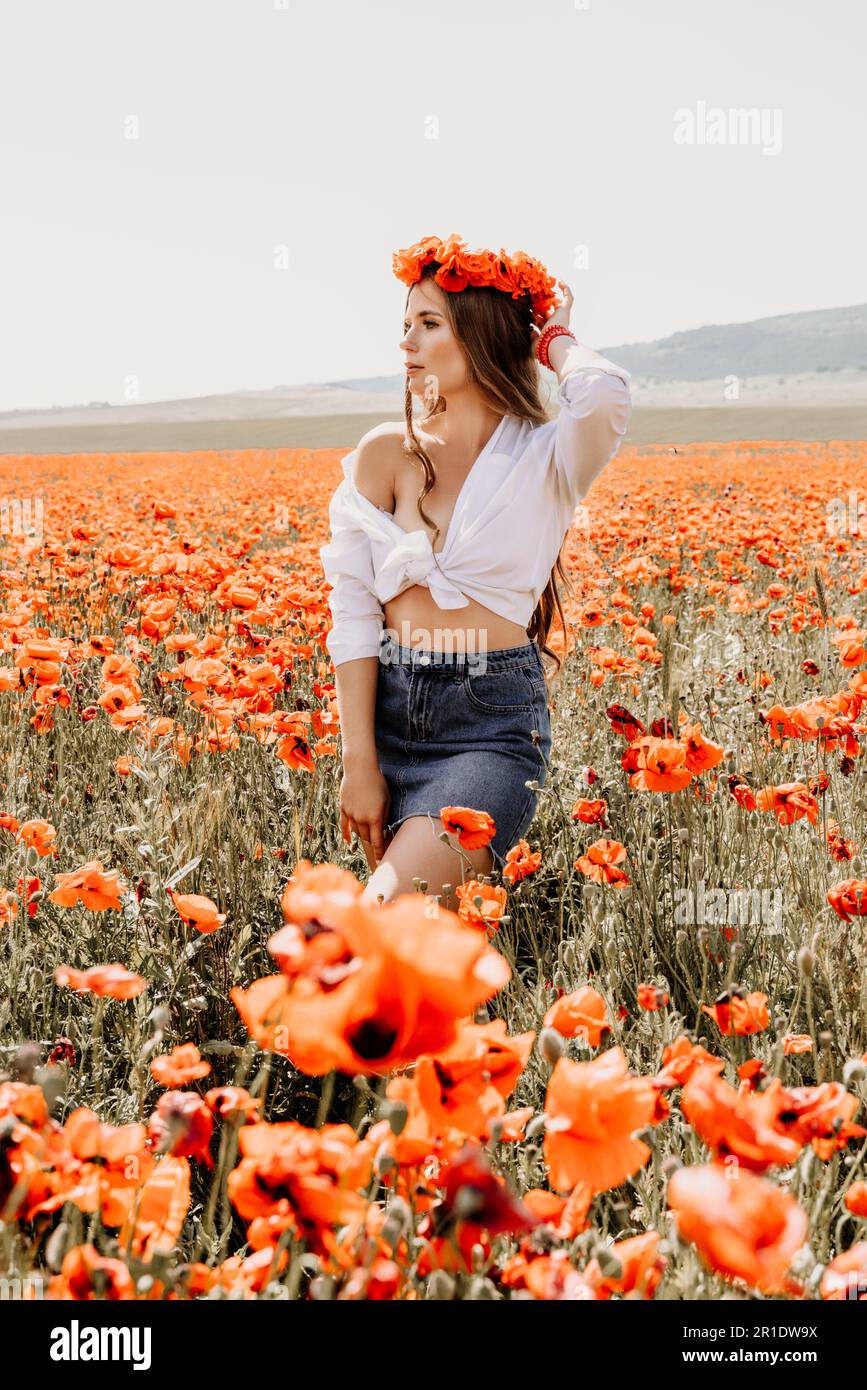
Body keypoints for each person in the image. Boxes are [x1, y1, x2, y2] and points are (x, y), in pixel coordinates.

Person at [319, 233, 631, 910]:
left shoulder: (549, 457)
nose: (406, 342)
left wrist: (552, 340)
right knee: (395, 952)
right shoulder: (384, 454)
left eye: (428, 324)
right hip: (389, 715)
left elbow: (603, 398)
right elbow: (352, 617)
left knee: (380, 923)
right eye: (404, 325)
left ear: (481, 334)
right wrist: (358, 762)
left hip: (488, 726)